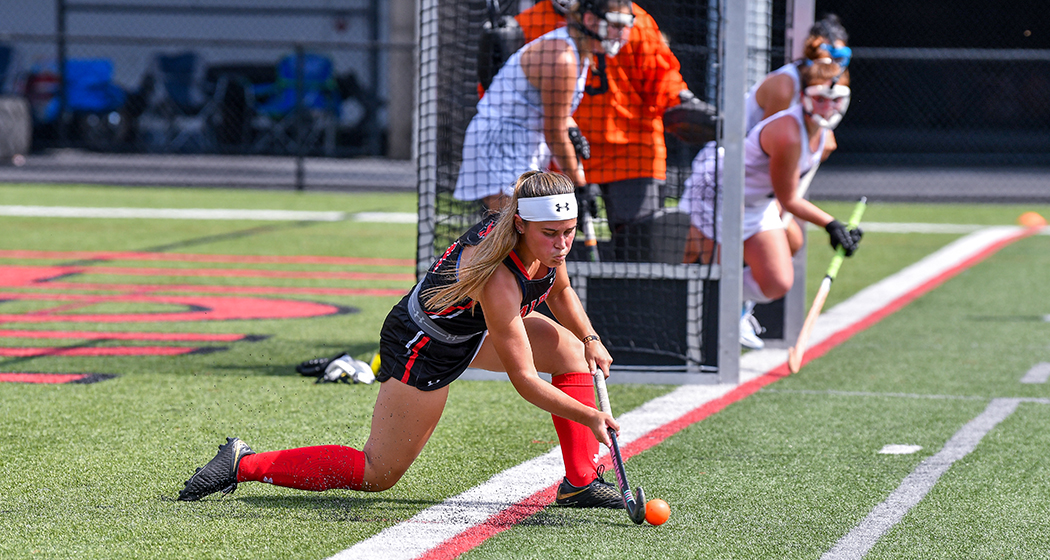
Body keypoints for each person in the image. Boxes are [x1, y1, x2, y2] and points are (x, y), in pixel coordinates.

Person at [181, 171, 625, 509]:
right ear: (523, 225)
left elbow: (562, 290)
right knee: (378, 473)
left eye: (568, 232)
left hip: (471, 331)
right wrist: (590, 415)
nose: (563, 244)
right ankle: (242, 462)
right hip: (424, 347)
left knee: (568, 349)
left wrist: (590, 337)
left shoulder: (546, 241)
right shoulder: (498, 281)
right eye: (552, 234)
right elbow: (525, 379)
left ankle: (580, 482)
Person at [680, 61, 861, 348]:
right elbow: (789, 197)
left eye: (836, 100)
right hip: (719, 196)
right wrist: (831, 224)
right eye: (820, 99)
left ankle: (736, 307)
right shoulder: (788, 134)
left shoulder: (825, 137)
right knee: (717, 274)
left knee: (777, 282)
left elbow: (784, 192)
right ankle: (701, 321)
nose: (828, 108)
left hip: (756, 201)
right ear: (804, 96)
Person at [517, 0, 699, 260]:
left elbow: (662, 77)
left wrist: (684, 105)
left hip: (633, 152)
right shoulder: (530, 24)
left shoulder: (630, 19)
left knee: (642, 249)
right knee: (543, 248)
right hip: (563, 152)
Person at [735, 13, 852, 347]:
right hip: (740, 180)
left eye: (841, 60)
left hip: (763, 187)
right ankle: (732, 303)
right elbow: (773, 146)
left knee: (794, 241)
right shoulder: (787, 86)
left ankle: (741, 306)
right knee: (784, 242)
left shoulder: (825, 91)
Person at [453, 0, 635, 213]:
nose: (621, 34)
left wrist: (572, 129)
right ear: (590, 20)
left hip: (526, 142)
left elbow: (557, 114)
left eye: (626, 26)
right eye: (615, 24)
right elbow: (554, 132)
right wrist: (580, 187)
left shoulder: (579, 52)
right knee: (513, 231)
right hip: (500, 144)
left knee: (528, 233)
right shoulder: (562, 57)